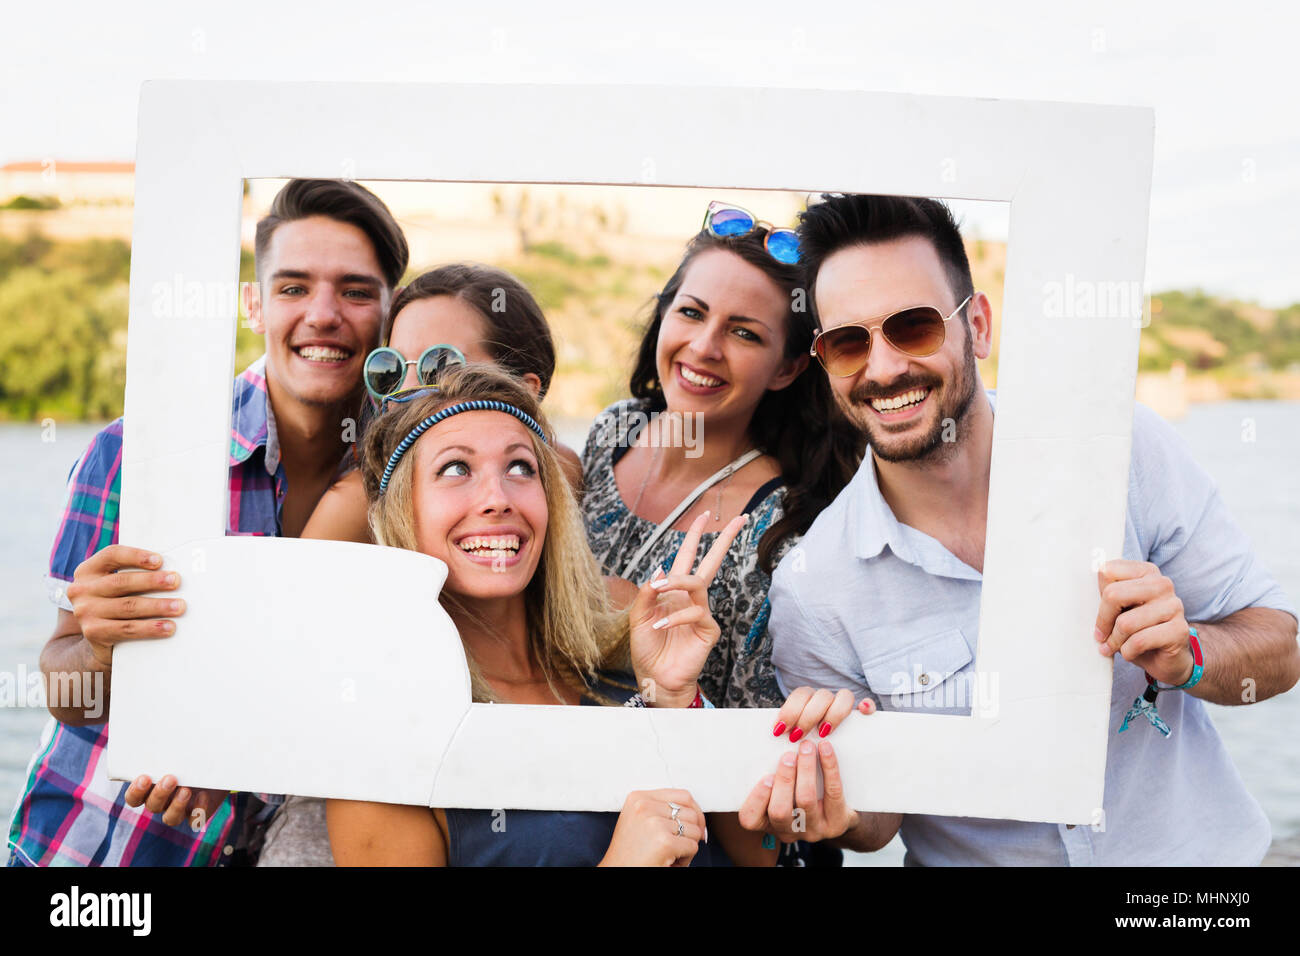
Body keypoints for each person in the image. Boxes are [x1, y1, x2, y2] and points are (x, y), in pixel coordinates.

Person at [741, 193, 1300, 865]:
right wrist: (831, 800)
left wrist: (1190, 656)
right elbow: (878, 823)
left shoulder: (1122, 448)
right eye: (848, 342)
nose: (884, 368)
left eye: (913, 327)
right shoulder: (814, 586)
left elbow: (1281, 649)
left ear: (976, 325)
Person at [6, 179, 408, 866]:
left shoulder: (412, 482)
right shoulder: (142, 450)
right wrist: (102, 649)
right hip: (98, 853)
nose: (323, 314)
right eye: (292, 288)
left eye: (356, 290)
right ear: (253, 304)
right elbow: (64, 684)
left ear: (390, 314)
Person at [324, 363, 775, 866]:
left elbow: (756, 856)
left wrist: (677, 705)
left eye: (520, 468)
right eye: (455, 469)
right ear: (401, 513)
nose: (497, 499)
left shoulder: (630, 628)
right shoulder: (378, 740)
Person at [580, 202, 864, 710]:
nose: (704, 346)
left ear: (787, 369)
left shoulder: (778, 536)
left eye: (744, 333)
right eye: (691, 312)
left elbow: (749, 735)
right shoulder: (611, 432)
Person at [294, 263, 584, 547]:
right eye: (390, 370)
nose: (403, 392)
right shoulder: (356, 507)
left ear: (524, 391)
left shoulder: (562, 470)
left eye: (439, 367)